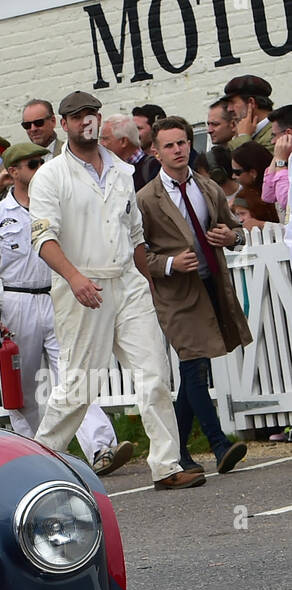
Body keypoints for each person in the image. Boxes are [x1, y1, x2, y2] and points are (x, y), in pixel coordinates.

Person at [28, 90, 201, 490]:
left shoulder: (123, 171)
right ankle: (36, 462)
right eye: (77, 117)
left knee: (154, 372)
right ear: (64, 124)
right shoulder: (51, 176)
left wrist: (148, 282)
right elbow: (43, 238)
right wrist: (74, 278)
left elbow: (135, 234)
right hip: (82, 283)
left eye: (92, 115)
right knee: (81, 385)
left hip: (128, 281)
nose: (85, 122)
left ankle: (166, 465)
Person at [0, 142, 127, 471]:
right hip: (18, 301)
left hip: (59, 295)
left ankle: (102, 447)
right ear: (13, 171)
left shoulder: (60, 205)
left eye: (42, 162)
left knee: (74, 374)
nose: (39, 168)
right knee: (23, 385)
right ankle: (38, 455)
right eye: (31, 164)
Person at [138, 116, 251, 476]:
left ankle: (180, 450)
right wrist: (170, 263)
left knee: (194, 370)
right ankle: (219, 445)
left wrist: (229, 238)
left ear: (191, 143)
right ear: (155, 152)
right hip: (176, 295)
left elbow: (236, 230)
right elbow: (136, 254)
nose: (178, 150)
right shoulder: (146, 200)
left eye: (182, 143)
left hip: (211, 286)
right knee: (195, 365)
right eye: (169, 145)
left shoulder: (207, 188)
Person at [100, 114, 154, 191]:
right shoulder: (111, 169)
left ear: (123, 141)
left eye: (105, 139)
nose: (102, 144)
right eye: (100, 139)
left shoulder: (153, 168)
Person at [232, 141, 280, 225]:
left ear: (253, 173)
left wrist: (262, 225)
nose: (233, 176)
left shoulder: (282, 191)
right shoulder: (241, 197)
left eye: (237, 172)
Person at [225, 75, 275, 153]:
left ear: (251, 102)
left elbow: (254, 164)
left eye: (232, 102)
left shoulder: (277, 132)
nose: (229, 109)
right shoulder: (249, 132)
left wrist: (243, 137)